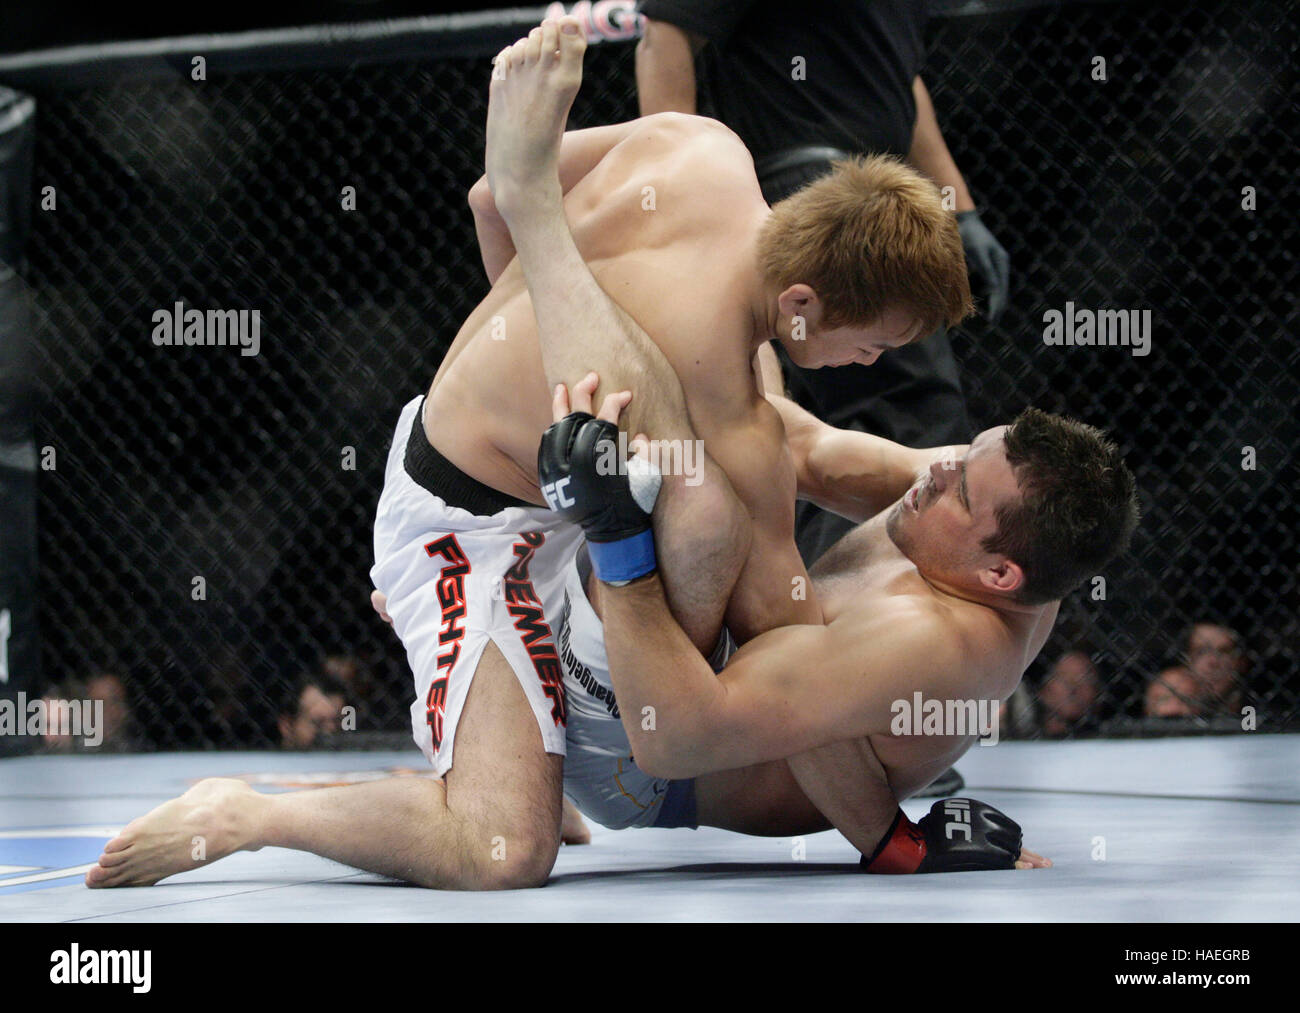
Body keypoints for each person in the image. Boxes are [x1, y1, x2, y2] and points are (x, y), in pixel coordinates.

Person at [85, 16, 971, 890]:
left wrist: (527, 376)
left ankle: (539, 734)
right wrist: (894, 841)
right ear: (807, 301)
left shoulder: (699, 148)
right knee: (503, 850)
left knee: (686, 498)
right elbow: (796, 689)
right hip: (464, 523)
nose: (873, 362)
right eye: (875, 342)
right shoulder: (730, 419)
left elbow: (491, 197)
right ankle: (250, 813)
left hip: (552, 494)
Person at [539, 363, 1138, 864]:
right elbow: (804, 449)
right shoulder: (996, 527)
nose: (937, 467)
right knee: (713, 393)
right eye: (966, 451)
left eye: (960, 488)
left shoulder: (926, 639)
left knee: (707, 512)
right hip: (700, 672)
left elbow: (672, 739)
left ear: (999, 576)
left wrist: (615, 535)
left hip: (640, 757)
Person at [636, 0, 1011, 564]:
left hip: (878, 191)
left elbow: (898, 82)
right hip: (801, 191)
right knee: (905, 407)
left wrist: (958, 205)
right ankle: (851, 613)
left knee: (811, 425)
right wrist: (674, 187)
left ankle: (814, 594)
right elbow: (665, 35)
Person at [1037, 650, 1102, 737]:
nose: (1074, 688)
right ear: (1045, 689)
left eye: (1085, 680)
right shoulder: (1020, 734)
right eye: (1064, 679)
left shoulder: (1111, 736)